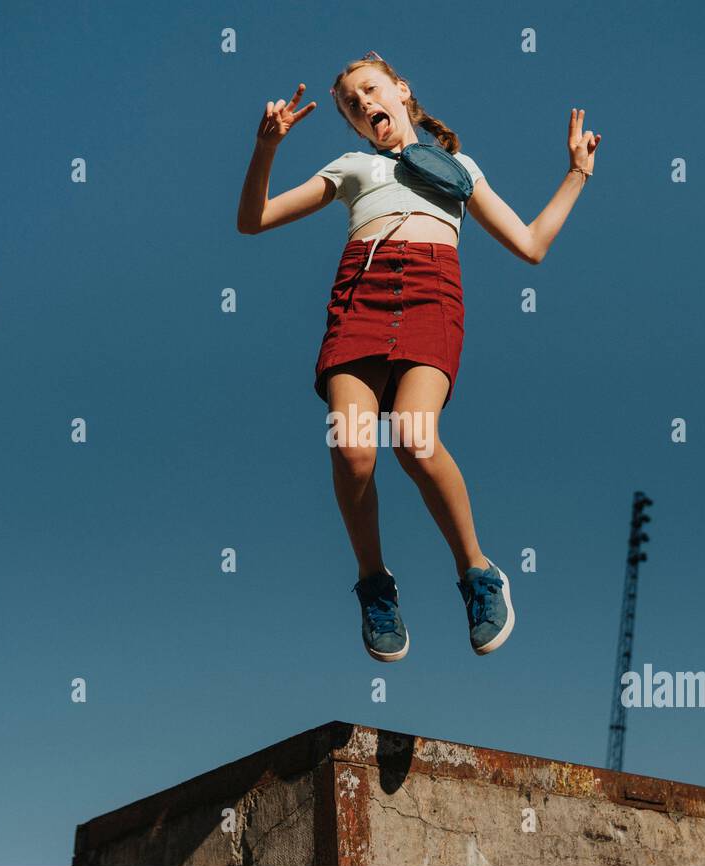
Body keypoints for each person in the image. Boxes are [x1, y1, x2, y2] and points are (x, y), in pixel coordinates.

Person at [236, 51, 599, 662]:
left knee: (413, 438)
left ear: (401, 91)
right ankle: (375, 586)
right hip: (361, 297)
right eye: (352, 105)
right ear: (351, 125)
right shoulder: (352, 166)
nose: (363, 104)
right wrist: (266, 146)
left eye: (370, 91)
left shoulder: (457, 166)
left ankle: (478, 574)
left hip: (432, 296)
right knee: (353, 450)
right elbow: (254, 219)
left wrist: (576, 173)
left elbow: (531, 245)